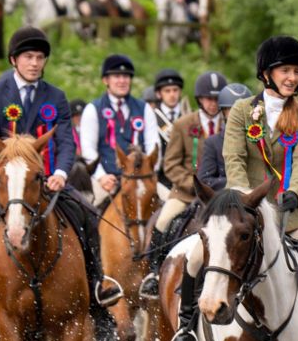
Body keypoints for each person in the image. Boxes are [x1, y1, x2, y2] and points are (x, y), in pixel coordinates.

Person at [166, 35, 298, 341]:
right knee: (195, 258)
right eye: (286, 70)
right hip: (245, 212)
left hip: (292, 214)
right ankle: (186, 331)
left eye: (297, 71)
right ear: (267, 74)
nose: (292, 77)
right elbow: (234, 159)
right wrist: (246, 199)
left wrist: (295, 192)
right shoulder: (243, 111)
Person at [0, 26, 123, 335]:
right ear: (13, 60)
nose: (35, 63)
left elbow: (66, 142)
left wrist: (60, 172)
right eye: (28, 57)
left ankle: (98, 283)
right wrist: (7, 174)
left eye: (40, 57)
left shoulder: (55, 97)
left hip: (45, 181)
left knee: (88, 214)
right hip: (2, 182)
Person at [138, 71, 227, 300]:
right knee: (163, 220)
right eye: (208, 98)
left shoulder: (230, 124)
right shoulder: (183, 124)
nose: (212, 103)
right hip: (187, 192)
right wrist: (194, 185)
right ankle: (154, 273)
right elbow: (171, 164)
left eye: (217, 99)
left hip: (223, 192)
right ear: (199, 99)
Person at [78, 53, 159, 206]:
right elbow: (88, 149)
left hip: (140, 178)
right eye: (116, 76)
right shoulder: (92, 109)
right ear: (105, 80)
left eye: (126, 76)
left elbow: (154, 146)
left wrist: (144, 173)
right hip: (106, 179)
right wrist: (102, 176)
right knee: (86, 210)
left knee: (167, 213)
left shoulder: (145, 109)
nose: (122, 81)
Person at [198, 83, 251, 191]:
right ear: (223, 112)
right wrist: (236, 182)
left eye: (244, 110)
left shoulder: (259, 138)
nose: (239, 114)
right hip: (227, 198)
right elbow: (205, 179)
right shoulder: (213, 142)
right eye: (233, 110)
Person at [152, 67, 188, 190]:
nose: (172, 95)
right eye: (167, 91)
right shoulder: (151, 117)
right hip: (160, 179)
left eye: (175, 90)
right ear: (158, 94)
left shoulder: (189, 115)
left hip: (187, 178)